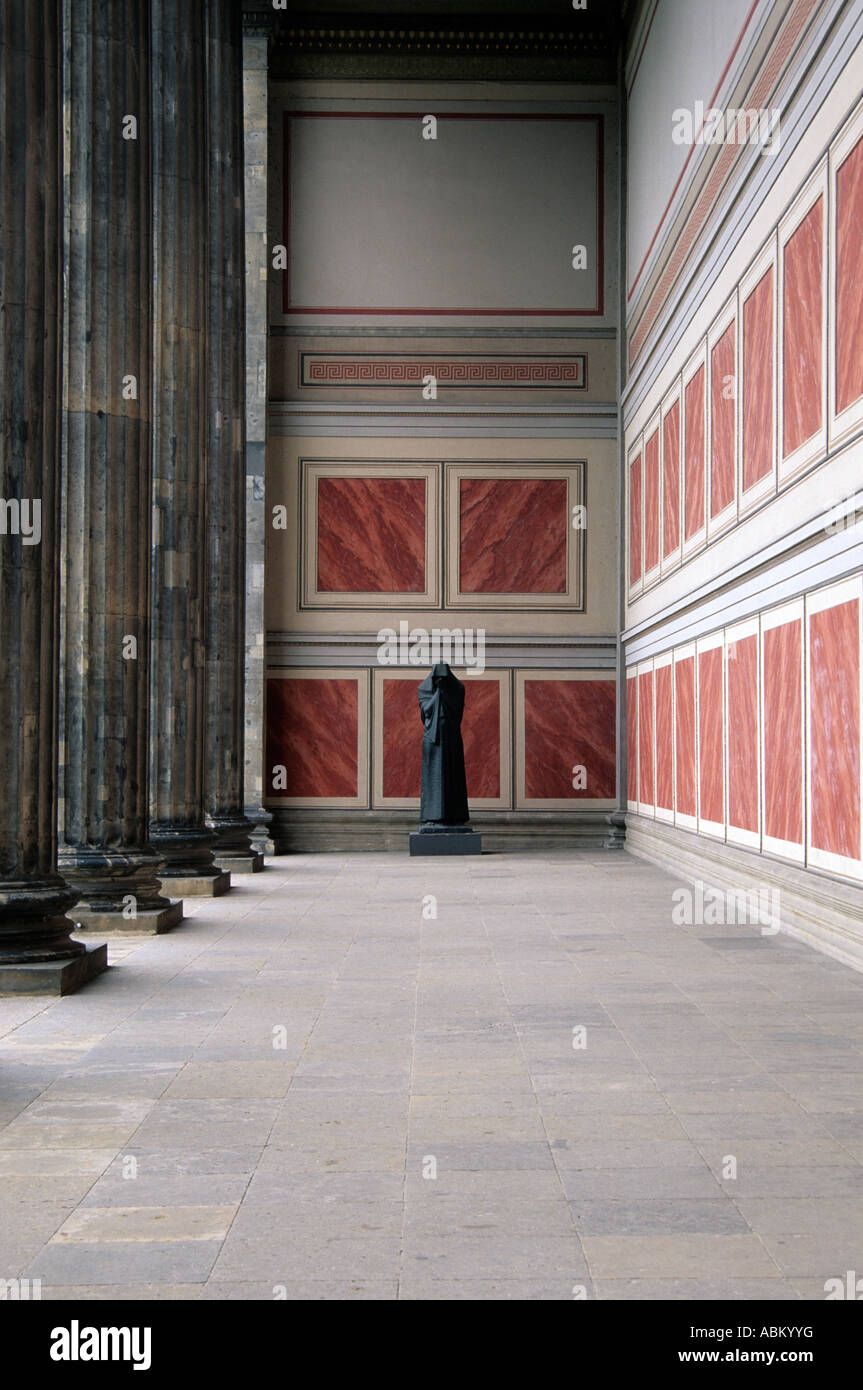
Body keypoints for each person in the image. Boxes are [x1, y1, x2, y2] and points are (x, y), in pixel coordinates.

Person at [417, 662, 470, 827]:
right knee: (433, 780)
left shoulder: (457, 690)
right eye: (437, 679)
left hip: (451, 741)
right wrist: (438, 694)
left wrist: (444, 693)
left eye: (443, 678)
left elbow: (457, 714)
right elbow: (426, 712)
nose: (441, 681)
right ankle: (432, 816)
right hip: (433, 742)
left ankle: (454, 816)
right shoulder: (424, 690)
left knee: (453, 779)